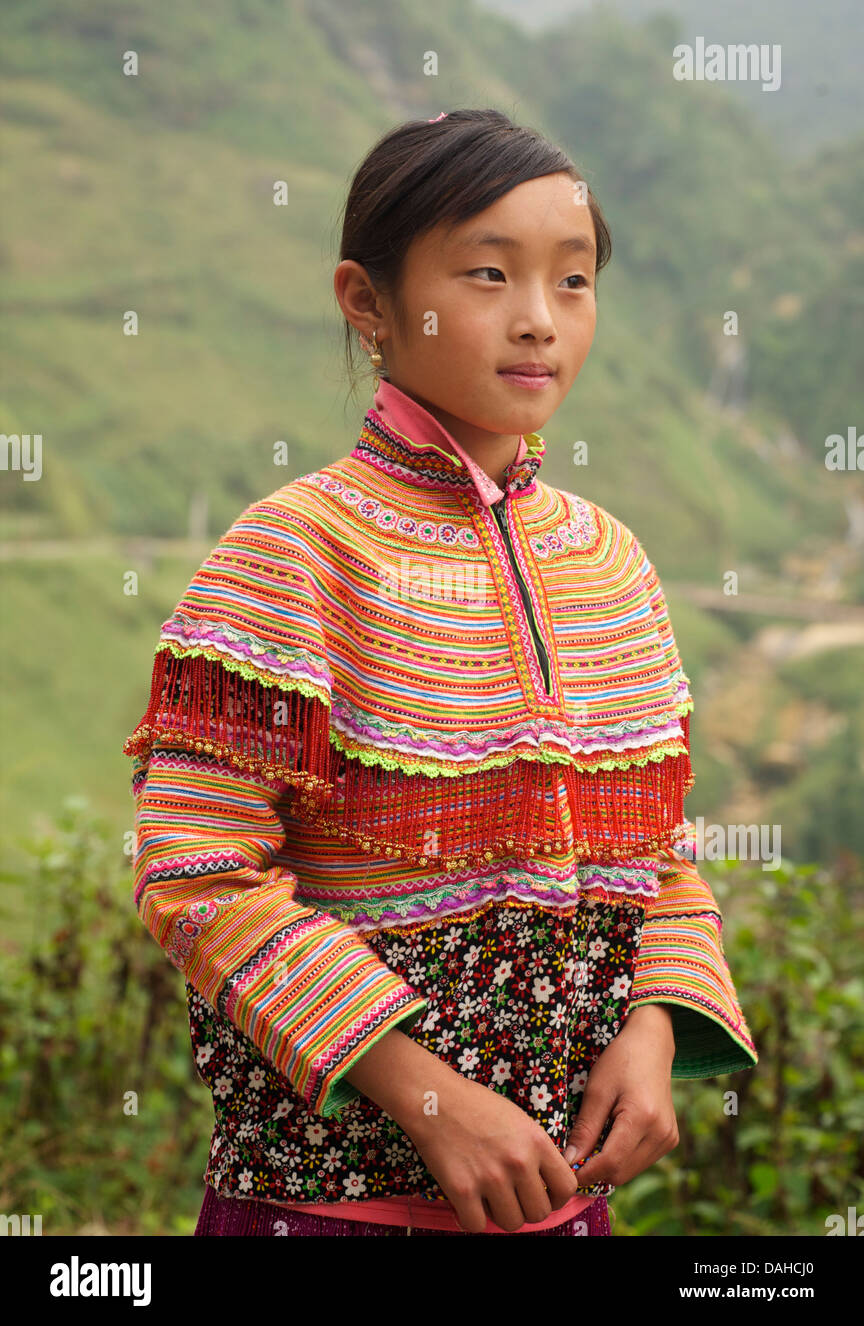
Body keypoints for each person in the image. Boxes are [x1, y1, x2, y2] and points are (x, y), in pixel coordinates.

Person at [124, 109, 758, 1238]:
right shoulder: (293, 553)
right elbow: (199, 872)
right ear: (367, 303)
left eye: (573, 281)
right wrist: (432, 1097)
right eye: (487, 274)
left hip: (557, 1209)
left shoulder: (609, 562)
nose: (537, 321)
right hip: (331, 1209)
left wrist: (656, 1025)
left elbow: (659, 855)